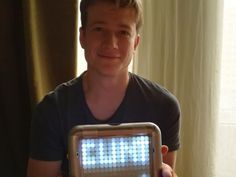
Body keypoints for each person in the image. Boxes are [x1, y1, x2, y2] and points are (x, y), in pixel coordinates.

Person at [27, 0, 180, 177]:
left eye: (123, 32)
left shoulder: (164, 106)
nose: (111, 43)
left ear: (135, 43)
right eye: (99, 29)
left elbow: (167, 170)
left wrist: (170, 174)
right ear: (82, 37)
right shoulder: (51, 110)